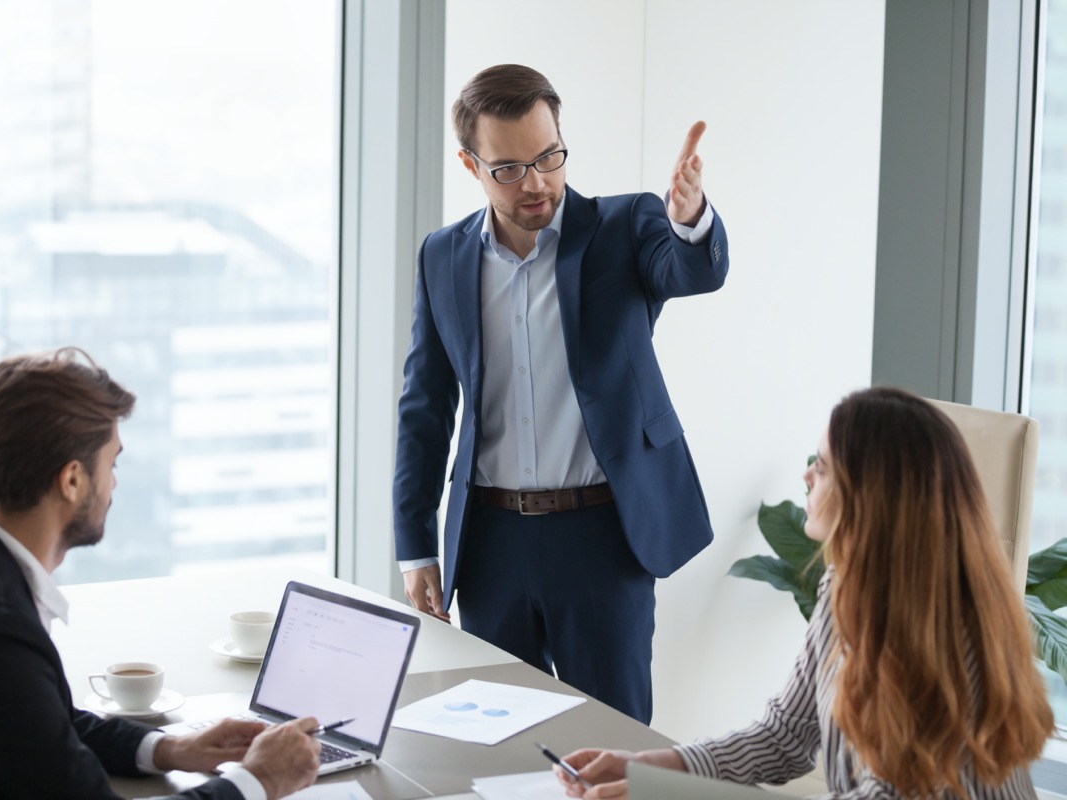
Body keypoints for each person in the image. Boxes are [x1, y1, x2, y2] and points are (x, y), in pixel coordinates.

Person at [392, 63, 730, 724]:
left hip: (602, 536)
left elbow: (691, 272)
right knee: (495, 741)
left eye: (549, 156)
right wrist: (416, 547)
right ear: (470, 165)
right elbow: (423, 411)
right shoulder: (442, 256)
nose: (537, 182)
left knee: (613, 744)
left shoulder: (623, 226)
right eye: (509, 168)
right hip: (490, 544)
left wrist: (690, 220)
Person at [556, 387, 1055, 799]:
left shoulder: (947, 630)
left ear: (872, 493)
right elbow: (784, 736)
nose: (807, 475)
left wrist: (672, 793)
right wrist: (654, 765)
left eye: (824, 466)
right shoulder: (847, 585)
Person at [0, 348, 322, 799]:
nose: (114, 482)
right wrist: (260, 779)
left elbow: (40, 722)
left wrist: (169, 749)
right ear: (72, 480)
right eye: (112, 462)